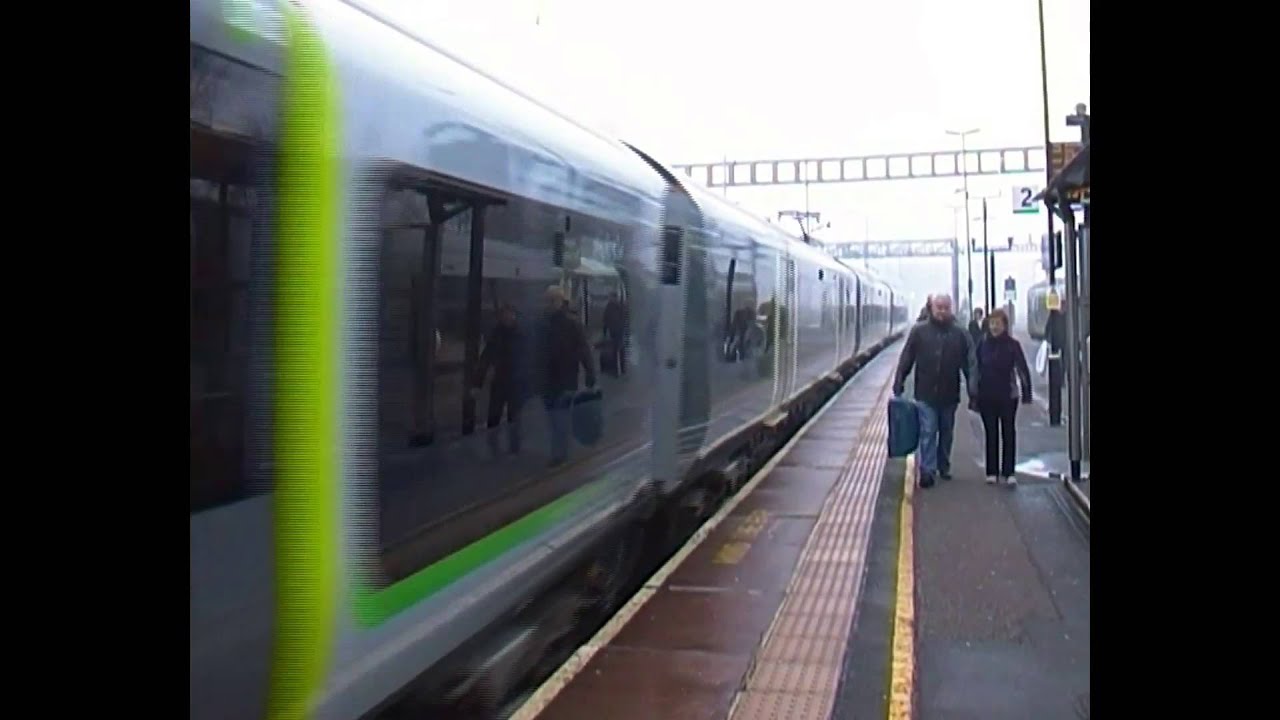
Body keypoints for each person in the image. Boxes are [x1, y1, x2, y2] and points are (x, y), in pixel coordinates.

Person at [893, 293, 974, 488]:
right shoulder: (919, 332)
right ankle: (927, 470)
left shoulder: (960, 333)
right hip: (925, 392)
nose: (942, 311)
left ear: (951, 308)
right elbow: (907, 358)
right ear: (932, 308)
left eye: (946, 307)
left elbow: (970, 363)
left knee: (946, 431)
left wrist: (973, 389)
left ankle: (943, 464)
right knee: (928, 430)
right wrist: (899, 380)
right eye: (939, 307)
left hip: (949, 393)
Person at [972, 308, 1033, 486]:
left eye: (998, 323)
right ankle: (991, 472)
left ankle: (1009, 472)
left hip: (1008, 395)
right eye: (992, 323)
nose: (994, 327)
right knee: (991, 433)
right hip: (986, 395)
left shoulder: (1013, 345)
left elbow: (1022, 369)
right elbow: (975, 369)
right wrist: (973, 393)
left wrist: (1027, 393)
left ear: (1005, 325)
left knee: (1008, 432)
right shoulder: (982, 345)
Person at [539, 285, 597, 467]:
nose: (548, 304)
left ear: (561, 302)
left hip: (566, 379)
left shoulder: (572, 324)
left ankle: (560, 454)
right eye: (547, 300)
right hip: (548, 380)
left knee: (560, 417)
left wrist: (590, 373)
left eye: (552, 300)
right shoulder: (543, 323)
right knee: (553, 418)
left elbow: (584, 350)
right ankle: (559, 451)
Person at [473, 304, 528, 456]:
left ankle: (514, 449)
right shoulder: (496, 334)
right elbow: (485, 359)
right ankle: (493, 447)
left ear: (514, 315)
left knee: (514, 416)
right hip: (501, 380)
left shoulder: (522, 334)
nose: (507, 317)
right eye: (504, 315)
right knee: (494, 415)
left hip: (516, 381)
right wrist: (477, 383)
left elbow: (530, 360)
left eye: (509, 314)